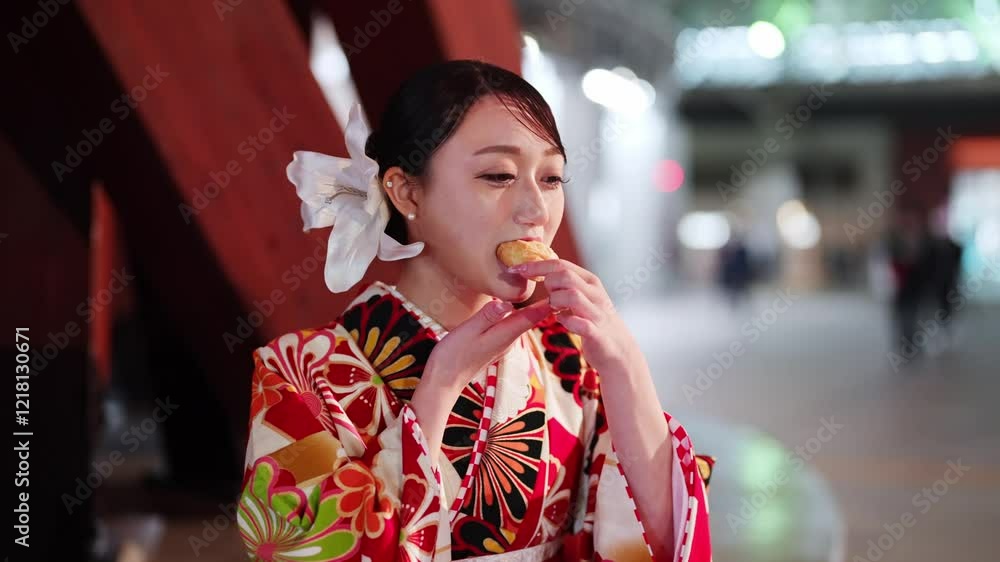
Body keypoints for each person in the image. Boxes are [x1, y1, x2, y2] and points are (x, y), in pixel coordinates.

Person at [238, 60, 713, 562]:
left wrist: (625, 368)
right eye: (498, 175)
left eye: (551, 178)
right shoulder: (298, 371)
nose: (535, 209)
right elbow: (300, 549)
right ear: (407, 191)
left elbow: (656, 542)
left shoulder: (567, 358)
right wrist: (438, 388)